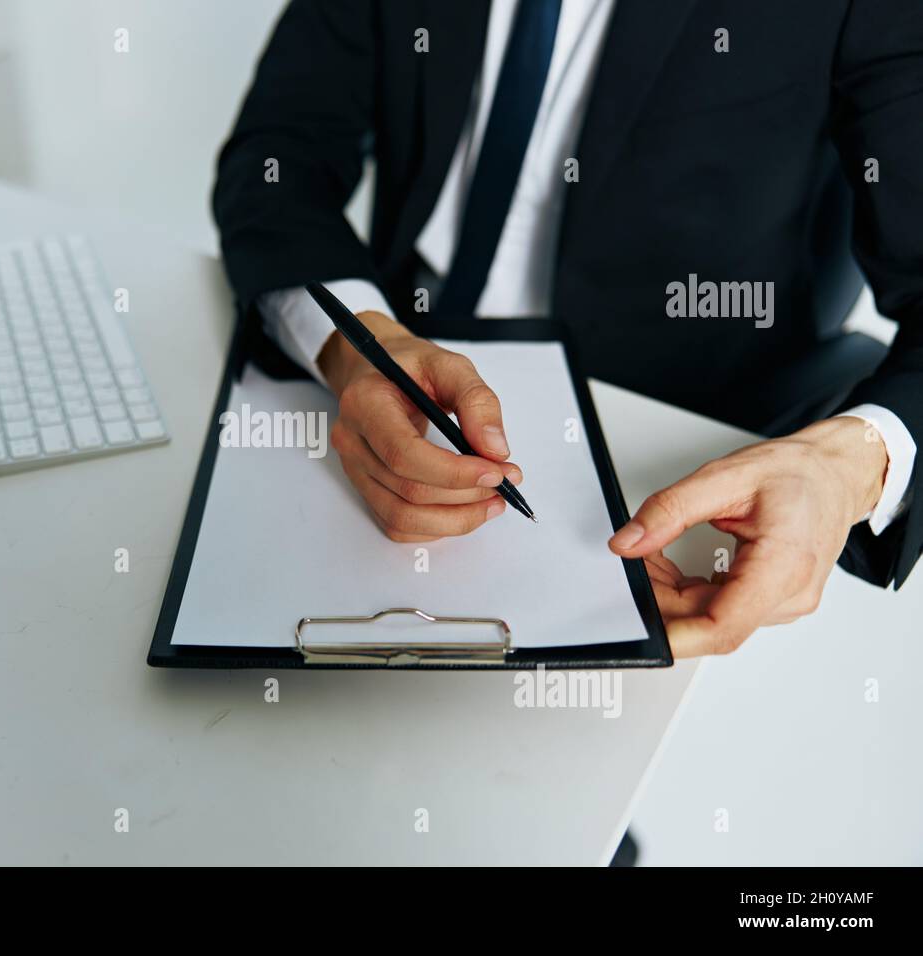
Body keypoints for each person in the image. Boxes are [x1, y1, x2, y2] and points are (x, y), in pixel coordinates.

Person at [212, 0, 923, 657]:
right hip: (397, 376)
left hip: (689, 454)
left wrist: (853, 464)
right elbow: (278, 162)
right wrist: (359, 347)